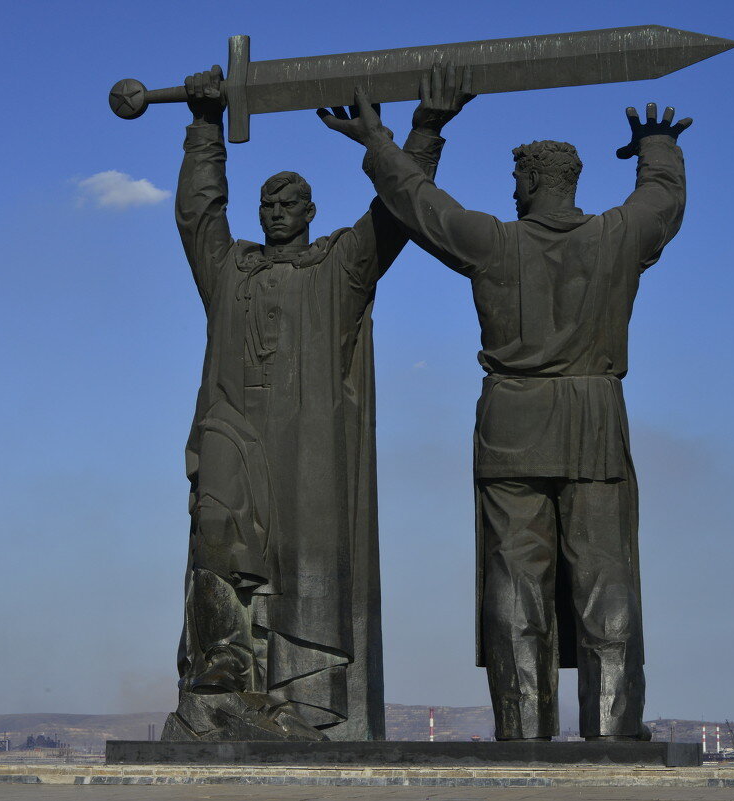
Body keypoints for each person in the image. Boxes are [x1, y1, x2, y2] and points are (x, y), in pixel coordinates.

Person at [321, 87, 691, 741]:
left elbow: (418, 204)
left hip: (512, 420)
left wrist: (380, 142)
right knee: (603, 571)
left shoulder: (492, 243)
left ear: (530, 181)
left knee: (514, 575)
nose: (512, 186)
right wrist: (655, 147)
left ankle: (522, 728)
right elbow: (661, 201)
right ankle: (611, 727)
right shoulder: (617, 236)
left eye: (516, 175)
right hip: (591, 416)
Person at [164, 65, 467, 741]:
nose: (274, 212)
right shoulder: (228, 269)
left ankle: (297, 703)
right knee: (218, 553)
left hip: (307, 448)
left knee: (303, 569)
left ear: (309, 212)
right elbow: (196, 214)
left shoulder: (340, 266)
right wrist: (204, 127)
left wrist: (421, 132)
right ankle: (218, 693)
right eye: (267, 203)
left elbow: (394, 214)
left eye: (287, 203)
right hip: (232, 432)